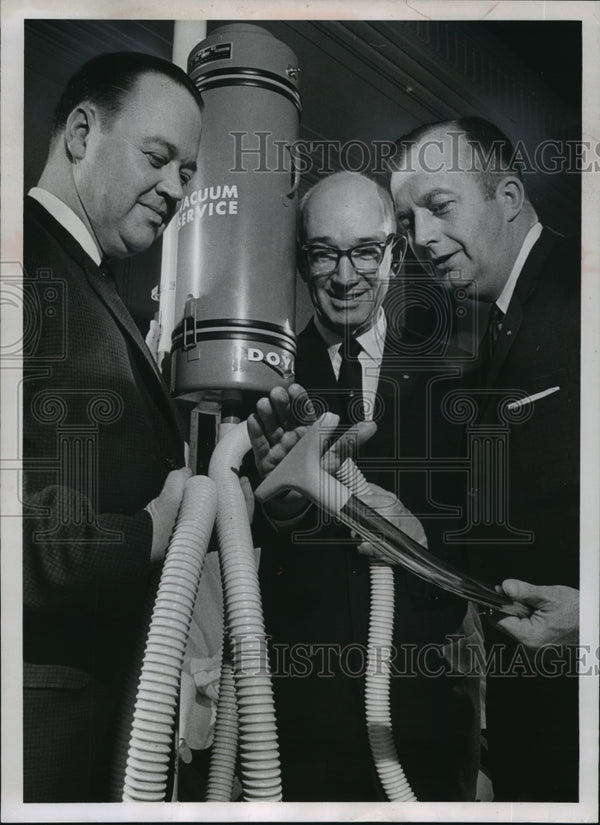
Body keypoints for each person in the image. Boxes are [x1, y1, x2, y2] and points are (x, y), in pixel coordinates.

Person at [248, 171, 482, 802]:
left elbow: (479, 541)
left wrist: (420, 544)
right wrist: (281, 507)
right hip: (300, 720)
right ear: (302, 261)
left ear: (395, 253)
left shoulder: (453, 373)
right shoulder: (261, 376)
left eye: (365, 252)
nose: (345, 275)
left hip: (423, 714)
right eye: (324, 252)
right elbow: (231, 535)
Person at [22, 52, 203, 802]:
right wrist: (155, 531)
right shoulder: (24, 263)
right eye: (158, 159)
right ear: (82, 132)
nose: (174, 190)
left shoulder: (88, 278)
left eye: (187, 173)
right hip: (38, 722)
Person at [389, 117, 580, 801]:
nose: (425, 241)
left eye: (440, 208)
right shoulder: (495, 334)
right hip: (538, 730)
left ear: (507, 196)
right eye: (410, 222)